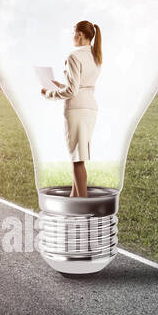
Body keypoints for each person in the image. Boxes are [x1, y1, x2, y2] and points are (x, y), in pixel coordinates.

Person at [40, 20, 103, 197]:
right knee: (79, 156)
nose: (73, 37)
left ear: (80, 35)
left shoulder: (74, 57)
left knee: (77, 160)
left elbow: (72, 90)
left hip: (76, 109)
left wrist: (49, 93)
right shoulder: (96, 56)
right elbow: (80, 85)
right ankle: (74, 200)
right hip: (90, 107)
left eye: (74, 33)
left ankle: (82, 205)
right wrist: (61, 85)